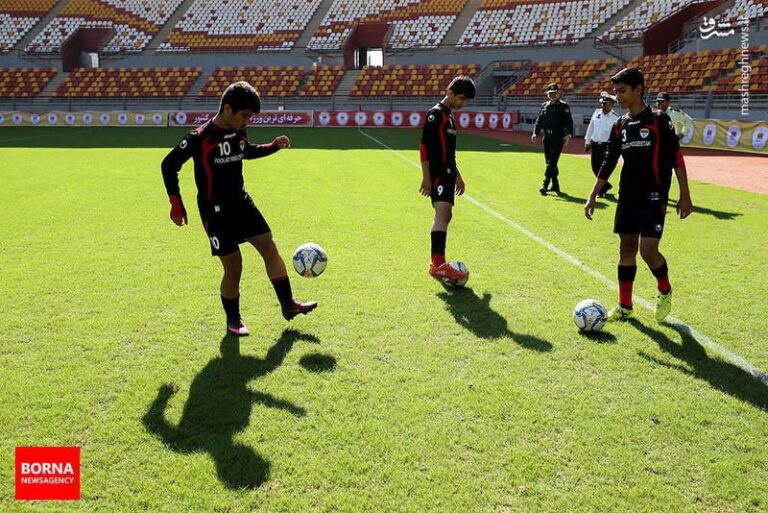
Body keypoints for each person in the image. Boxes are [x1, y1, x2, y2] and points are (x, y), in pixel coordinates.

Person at [161, 81, 317, 336]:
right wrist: (176, 203)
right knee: (234, 266)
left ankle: (288, 304)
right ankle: (233, 320)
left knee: (269, 245)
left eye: (250, 117)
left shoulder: (239, 131)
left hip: (241, 201)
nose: (248, 121)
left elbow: (246, 151)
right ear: (227, 109)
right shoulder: (199, 138)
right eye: (244, 116)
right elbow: (169, 165)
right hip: (215, 210)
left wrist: (272, 146)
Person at [584, 68, 693, 322]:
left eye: (622, 91)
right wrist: (592, 194)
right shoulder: (620, 124)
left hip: (654, 195)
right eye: (616, 91)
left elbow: (676, 157)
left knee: (648, 251)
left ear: (638, 90)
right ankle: (625, 305)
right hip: (628, 196)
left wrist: (685, 194)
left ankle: (664, 289)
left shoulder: (659, 120)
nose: (618, 96)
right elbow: (609, 161)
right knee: (626, 249)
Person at [420, 75, 476, 282]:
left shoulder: (449, 117)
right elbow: (424, 147)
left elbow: (449, 153)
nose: (463, 103)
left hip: (448, 174)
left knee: (446, 215)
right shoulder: (435, 114)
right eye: (461, 98)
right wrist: (426, 178)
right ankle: (437, 265)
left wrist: (457, 176)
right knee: (442, 214)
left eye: (466, 100)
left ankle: (437, 263)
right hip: (437, 173)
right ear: (449, 93)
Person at [532, 83, 573, 195]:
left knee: (551, 162)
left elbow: (569, 122)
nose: (552, 95)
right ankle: (555, 185)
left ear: (558, 93)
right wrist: (535, 132)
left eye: (554, 93)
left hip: (558, 137)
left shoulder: (563, 106)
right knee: (549, 162)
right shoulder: (544, 105)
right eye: (550, 93)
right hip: (547, 137)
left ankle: (545, 184)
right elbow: (539, 120)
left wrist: (568, 134)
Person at [584, 93, 619, 197]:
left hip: (606, 146)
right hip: (595, 144)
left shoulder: (615, 117)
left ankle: (601, 190)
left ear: (611, 104)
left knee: (602, 168)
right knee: (594, 167)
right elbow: (591, 127)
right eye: (602, 103)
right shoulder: (597, 112)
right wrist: (587, 141)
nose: (603, 105)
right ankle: (606, 185)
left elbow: (617, 134)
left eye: (605, 104)